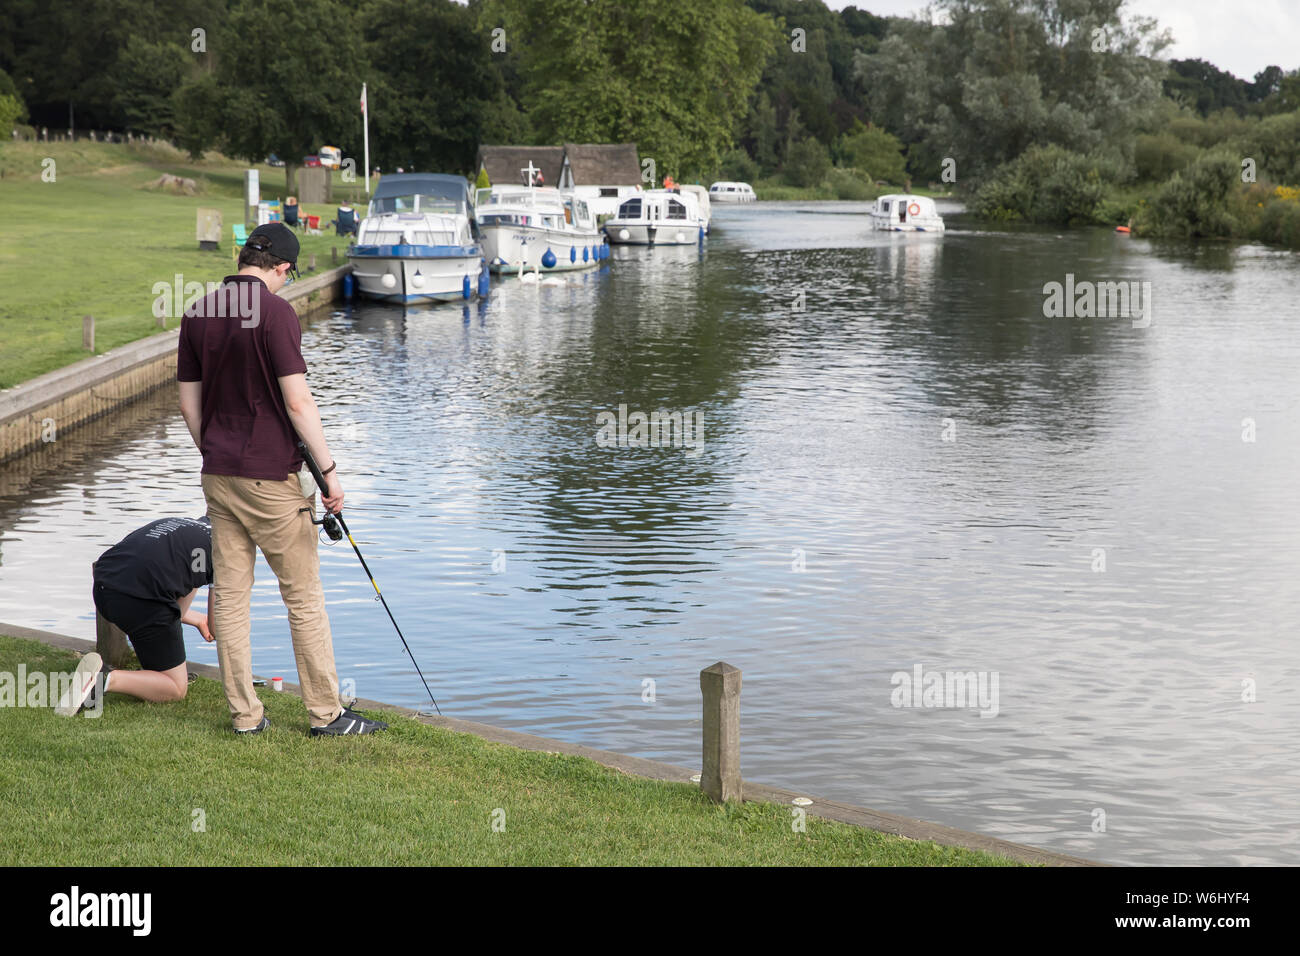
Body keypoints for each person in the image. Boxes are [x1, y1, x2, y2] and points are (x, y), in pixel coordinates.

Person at [176, 222, 387, 737]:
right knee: (303, 597)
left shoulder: (198, 311)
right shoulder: (277, 313)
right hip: (271, 477)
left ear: (243, 257)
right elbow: (298, 401)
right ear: (284, 268)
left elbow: (188, 401)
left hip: (217, 474)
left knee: (228, 594)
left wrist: (214, 447)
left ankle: (245, 716)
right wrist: (331, 474)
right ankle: (325, 714)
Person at [70, 516, 214, 712]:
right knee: (176, 688)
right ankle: (103, 679)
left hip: (105, 586)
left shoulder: (187, 525)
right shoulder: (226, 551)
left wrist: (192, 617)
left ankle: (157, 671)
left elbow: (185, 576)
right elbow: (220, 626)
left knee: (163, 653)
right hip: (140, 601)